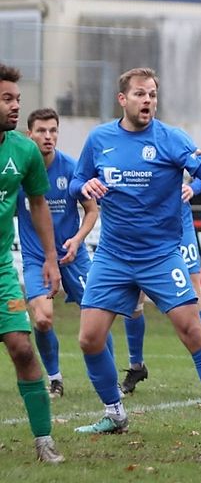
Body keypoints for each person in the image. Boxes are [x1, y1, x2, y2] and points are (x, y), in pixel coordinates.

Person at [70, 67, 201, 437]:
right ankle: (114, 414)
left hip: (160, 256)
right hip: (113, 256)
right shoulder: (99, 139)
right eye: (140, 94)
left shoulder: (171, 138)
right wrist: (85, 186)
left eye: (152, 95)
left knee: (193, 330)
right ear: (122, 99)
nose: (148, 100)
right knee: (89, 338)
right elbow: (78, 180)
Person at [0, 64, 65, 463]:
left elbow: (38, 203)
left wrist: (51, 259)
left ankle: (44, 442)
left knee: (23, 348)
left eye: (17, 99)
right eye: (6, 98)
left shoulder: (24, 151)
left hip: (1, 272)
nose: (15, 106)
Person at [16, 108, 101, 399]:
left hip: (72, 254)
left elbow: (92, 211)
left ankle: (109, 381)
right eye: (41, 131)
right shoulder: (18, 172)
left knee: (96, 315)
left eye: (53, 130)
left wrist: (77, 239)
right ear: (30, 134)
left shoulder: (71, 168)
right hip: (36, 257)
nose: (48, 136)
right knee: (42, 319)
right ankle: (55, 379)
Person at [119, 178, 201, 396]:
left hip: (179, 223)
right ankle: (136, 366)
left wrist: (193, 187)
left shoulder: (177, 153)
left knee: (195, 293)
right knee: (132, 299)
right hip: (145, 225)